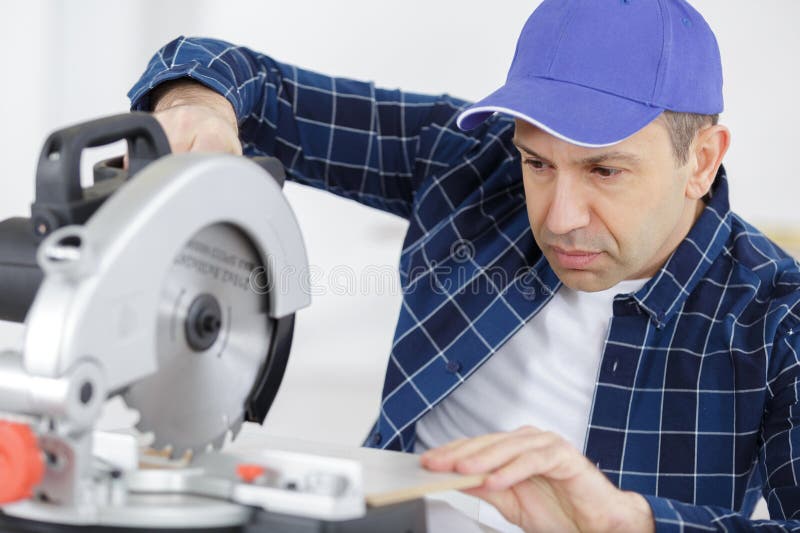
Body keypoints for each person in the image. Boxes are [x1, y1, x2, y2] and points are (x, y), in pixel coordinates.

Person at [128, 1, 800, 530]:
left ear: (702, 159)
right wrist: (197, 110)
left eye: (605, 171)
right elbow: (234, 76)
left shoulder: (776, 317)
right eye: (538, 162)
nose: (560, 217)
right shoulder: (472, 165)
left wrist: (631, 522)